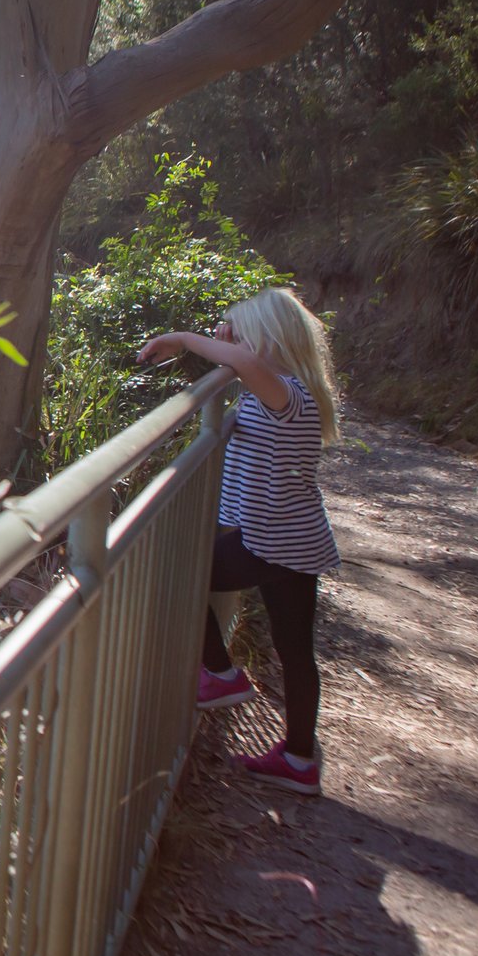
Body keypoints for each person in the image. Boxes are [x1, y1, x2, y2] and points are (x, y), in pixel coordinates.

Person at [139, 286, 342, 796]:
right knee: (297, 653)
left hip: (269, 543)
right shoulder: (287, 391)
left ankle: (222, 673)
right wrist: (224, 342)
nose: (234, 343)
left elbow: (242, 365)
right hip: (297, 541)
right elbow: (239, 366)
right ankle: (299, 759)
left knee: (178, 566)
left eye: (243, 333)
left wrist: (185, 338)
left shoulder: (284, 393)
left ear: (268, 339)